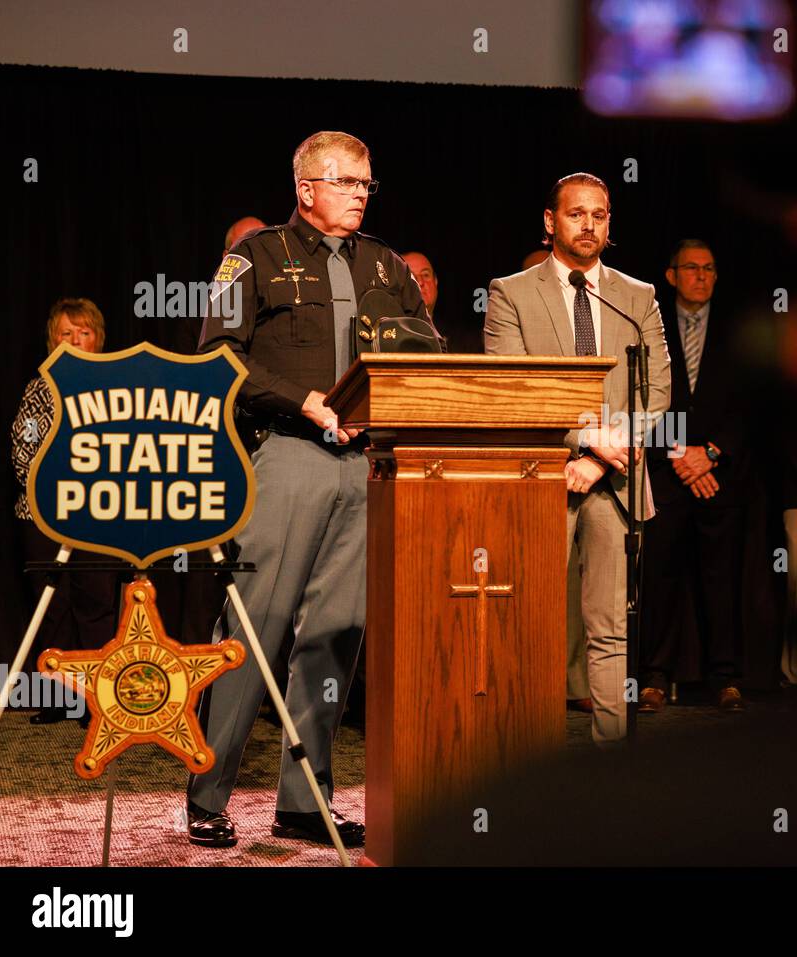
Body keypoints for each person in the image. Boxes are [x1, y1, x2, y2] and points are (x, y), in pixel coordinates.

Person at [185, 130, 437, 848]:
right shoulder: (253, 256)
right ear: (306, 187)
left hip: (365, 468)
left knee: (337, 630)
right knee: (252, 630)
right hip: (287, 455)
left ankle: (304, 800)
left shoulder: (388, 265)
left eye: (367, 183)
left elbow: (426, 349)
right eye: (348, 181)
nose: (361, 193)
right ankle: (207, 794)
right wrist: (305, 400)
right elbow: (217, 357)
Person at [484, 172, 670, 745]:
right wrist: (585, 443)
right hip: (544, 476)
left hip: (612, 482)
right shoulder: (510, 292)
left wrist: (599, 458)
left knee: (610, 629)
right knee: (535, 626)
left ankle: (610, 757)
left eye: (600, 215)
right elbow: (514, 391)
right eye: (576, 214)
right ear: (550, 221)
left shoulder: (636, 295)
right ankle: (532, 757)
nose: (589, 225)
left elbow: (657, 390)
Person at [640, 241, 752, 712]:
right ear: (671, 276)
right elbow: (644, 394)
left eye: (709, 268)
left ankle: (725, 679)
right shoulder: (650, 323)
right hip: (667, 473)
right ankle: (653, 679)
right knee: (661, 576)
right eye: (691, 268)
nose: (701, 276)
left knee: (720, 580)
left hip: (719, 475)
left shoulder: (740, 329)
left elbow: (752, 402)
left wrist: (709, 453)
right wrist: (680, 454)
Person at [9, 299, 118, 724]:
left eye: (84, 332)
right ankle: (60, 699)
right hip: (42, 517)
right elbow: (24, 452)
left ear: (98, 339)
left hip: (100, 516)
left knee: (97, 607)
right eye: (66, 333)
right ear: (53, 341)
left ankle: (96, 704)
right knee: (51, 610)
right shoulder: (40, 388)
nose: (76, 340)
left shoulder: (117, 390)